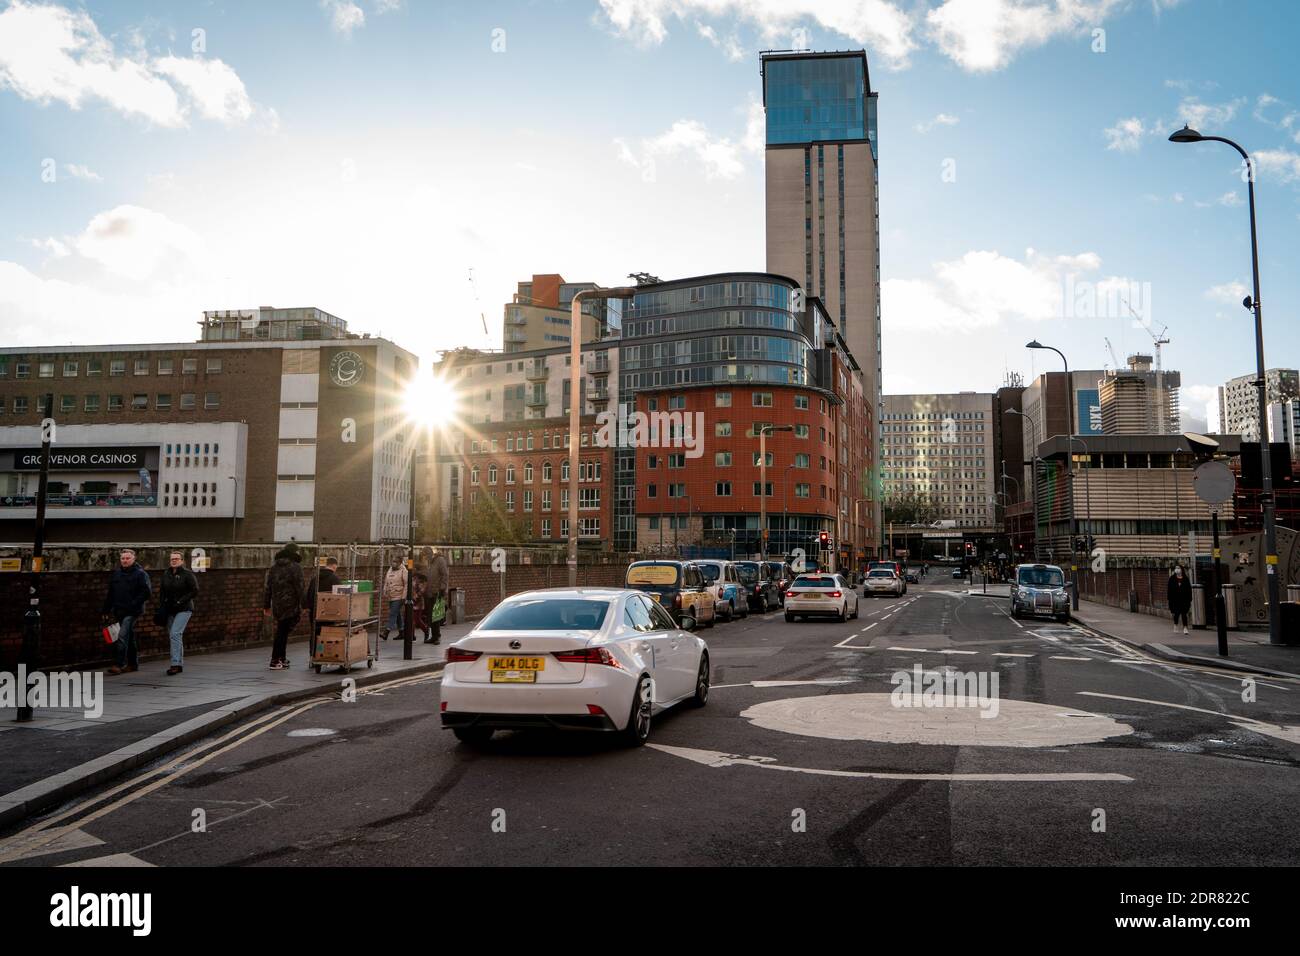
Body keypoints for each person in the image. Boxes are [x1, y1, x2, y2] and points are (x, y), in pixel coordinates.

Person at [102, 548, 152, 675]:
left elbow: (146, 593)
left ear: (133, 559)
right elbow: (111, 593)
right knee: (129, 638)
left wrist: (133, 604)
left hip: (133, 611)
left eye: (127, 558)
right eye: (123, 558)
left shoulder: (140, 574)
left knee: (122, 636)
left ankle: (119, 664)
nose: (125, 560)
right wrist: (106, 610)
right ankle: (133, 664)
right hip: (119, 610)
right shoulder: (117, 573)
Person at [264, 543, 305, 669]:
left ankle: (281, 658)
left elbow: (267, 588)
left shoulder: (274, 567)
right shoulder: (295, 567)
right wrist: (305, 604)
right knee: (282, 632)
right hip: (290, 604)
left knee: (283, 630)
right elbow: (300, 587)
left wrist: (266, 605)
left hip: (277, 605)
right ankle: (275, 660)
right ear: (294, 553)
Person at [158, 550, 199, 676]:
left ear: (182, 561)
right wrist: (162, 606)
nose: (174, 561)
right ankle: (179, 664)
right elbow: (162, 591)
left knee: (175, 633)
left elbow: (195, 591)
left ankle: (175, 664)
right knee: (174, 636)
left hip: (184, 609)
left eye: (176, 559)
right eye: (172, 559)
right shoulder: (166, 574)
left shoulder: (188, 574)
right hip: (170, 609)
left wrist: (180, 601)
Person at [304, 556, 342, 666]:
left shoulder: (314, 579)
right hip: (330, 613)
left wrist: (311, 608)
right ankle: (325, 656)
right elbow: (340, 597)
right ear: (334, 566)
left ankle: (313, 656)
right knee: (327, 635)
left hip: (315, 612)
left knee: (315, 634)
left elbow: (309, 595)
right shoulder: (335, 579)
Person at [382, 553, 408, 640]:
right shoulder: (390, 570)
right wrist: (384, 590)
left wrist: (403, 597)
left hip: (399, 596)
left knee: (393, 613)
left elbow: (406, 585)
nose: (393, 563)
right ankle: (402, 631)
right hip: (391, 595)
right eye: (392, 561)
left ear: (400, 562)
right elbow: (386, 581)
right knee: (397, 614)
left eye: (395, 562)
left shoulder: (404, 571)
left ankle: (386, 632)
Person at [428, 547, 449, 644]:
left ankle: (437, 637)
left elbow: (444, 575)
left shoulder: (440, 560)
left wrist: (442, 588)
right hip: (431, 592)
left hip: (438, 591)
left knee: (436, 615)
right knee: (431, 616)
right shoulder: (431, 562)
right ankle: (434, 635)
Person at [1168, 564, 1192, 635]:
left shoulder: (1185, 579)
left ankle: (1185, 628)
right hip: (1175, 600)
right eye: (1176, 568)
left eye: (1178, 568)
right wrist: (1169, 599)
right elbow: (1169, 590)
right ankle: (1175, 625)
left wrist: (1189, 599)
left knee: (1184, 614)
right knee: (1177, 613)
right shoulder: (1172, 579)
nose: (1177, 569)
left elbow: (1189, 590)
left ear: (1181, 570)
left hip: (1184, 600)